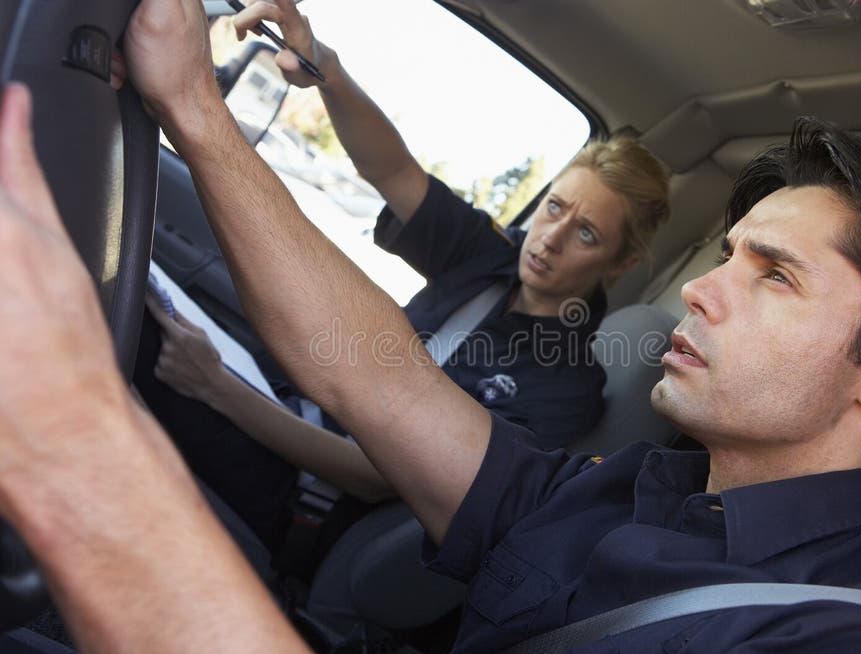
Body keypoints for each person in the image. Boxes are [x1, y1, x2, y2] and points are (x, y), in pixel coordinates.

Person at [1, 1, 861, 654]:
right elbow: (384, 383)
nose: (700, 292)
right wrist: (193, 108)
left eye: (771, 274)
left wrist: (81, 447)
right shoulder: (630, 491)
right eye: (725, 254)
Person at [131, 1, 670, 545]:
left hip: (302, 495)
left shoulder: (566, 388)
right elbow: (391, 168)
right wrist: (328, 71)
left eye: (586, 235)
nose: (550, 238)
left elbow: (373, 478)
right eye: (555, 207)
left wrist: (217, 386)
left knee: (120, 333)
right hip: (280, 403)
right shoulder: (490, 256)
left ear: (619, 263)